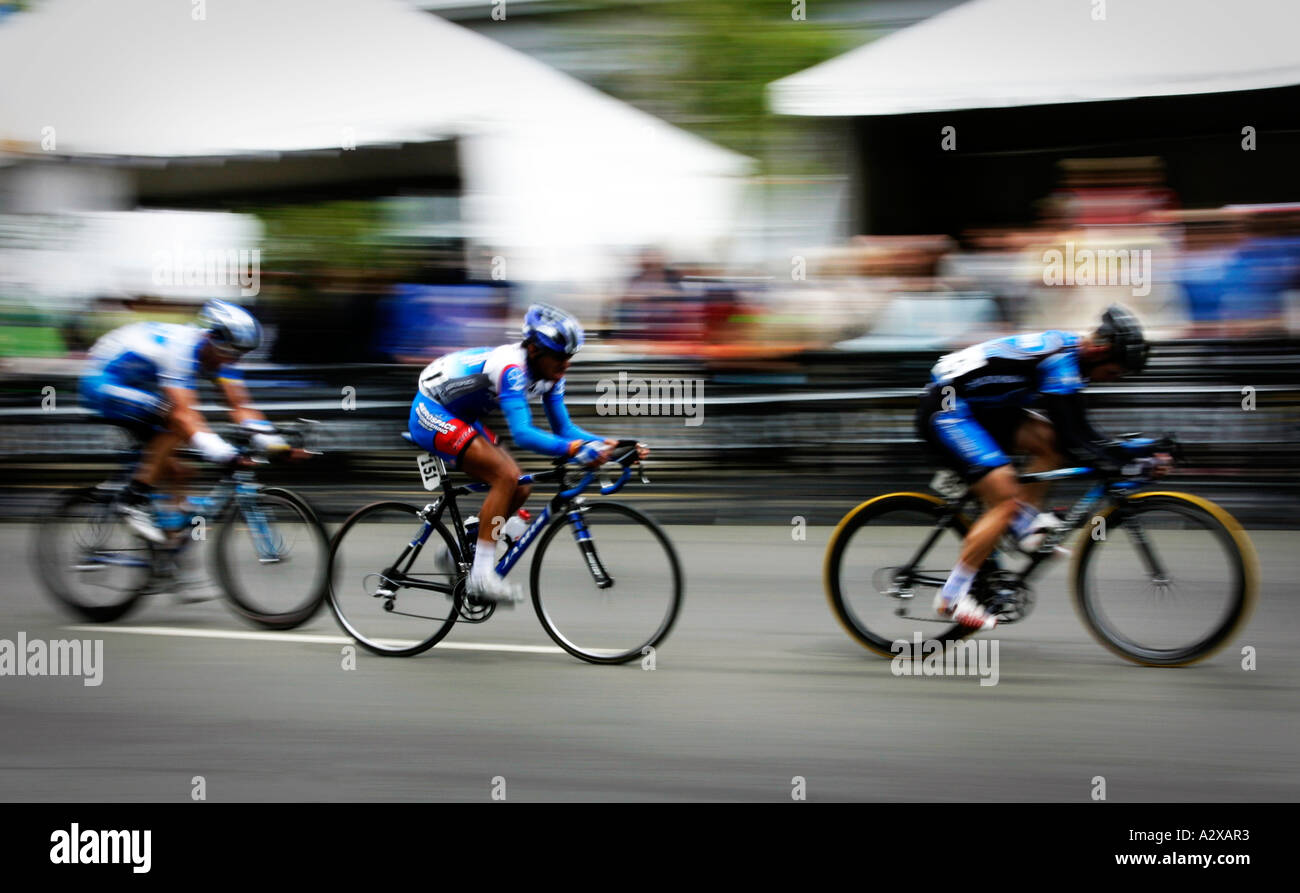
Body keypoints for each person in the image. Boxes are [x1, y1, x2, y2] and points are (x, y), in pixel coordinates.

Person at [915, 303, 1171, 629]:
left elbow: (1078, 438)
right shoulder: (1061, 363)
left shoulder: (1072, 357)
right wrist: (1136, 455)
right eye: (1113, 372)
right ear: (1101, 351)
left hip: (983, 408)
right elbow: (1080, 442)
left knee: (1049, 442)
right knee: (1005, 496)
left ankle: (1022, 526)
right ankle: (952, 596)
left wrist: (1137, 453)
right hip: (948, 408)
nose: (1111, 379)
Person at [408, 303, 648, 605]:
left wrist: (611, 447)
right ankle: (481, 576)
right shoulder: (512, 369)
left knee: (520, 484)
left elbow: (565, 430)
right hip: (431, 411)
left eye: (570, 357)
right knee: (505, 476)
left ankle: (461, 546)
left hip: (463, 417)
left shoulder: (552, 376)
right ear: (535, 350)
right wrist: (576, 450)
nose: (566, 364)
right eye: (560, 357)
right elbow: (522, 434)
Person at [80, 300, 286, 543]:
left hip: (138, 387)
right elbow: (183, 414)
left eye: (240, 355)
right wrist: (222, 453)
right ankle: (133, 500)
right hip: (104, 382)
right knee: (173, 421)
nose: (233, 361)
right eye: (230, 353)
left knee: (181, 473)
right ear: (211, 338)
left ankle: (166, 554)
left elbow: (240, 406)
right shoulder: (181, 348)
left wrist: (274, 442)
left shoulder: (222, 357)